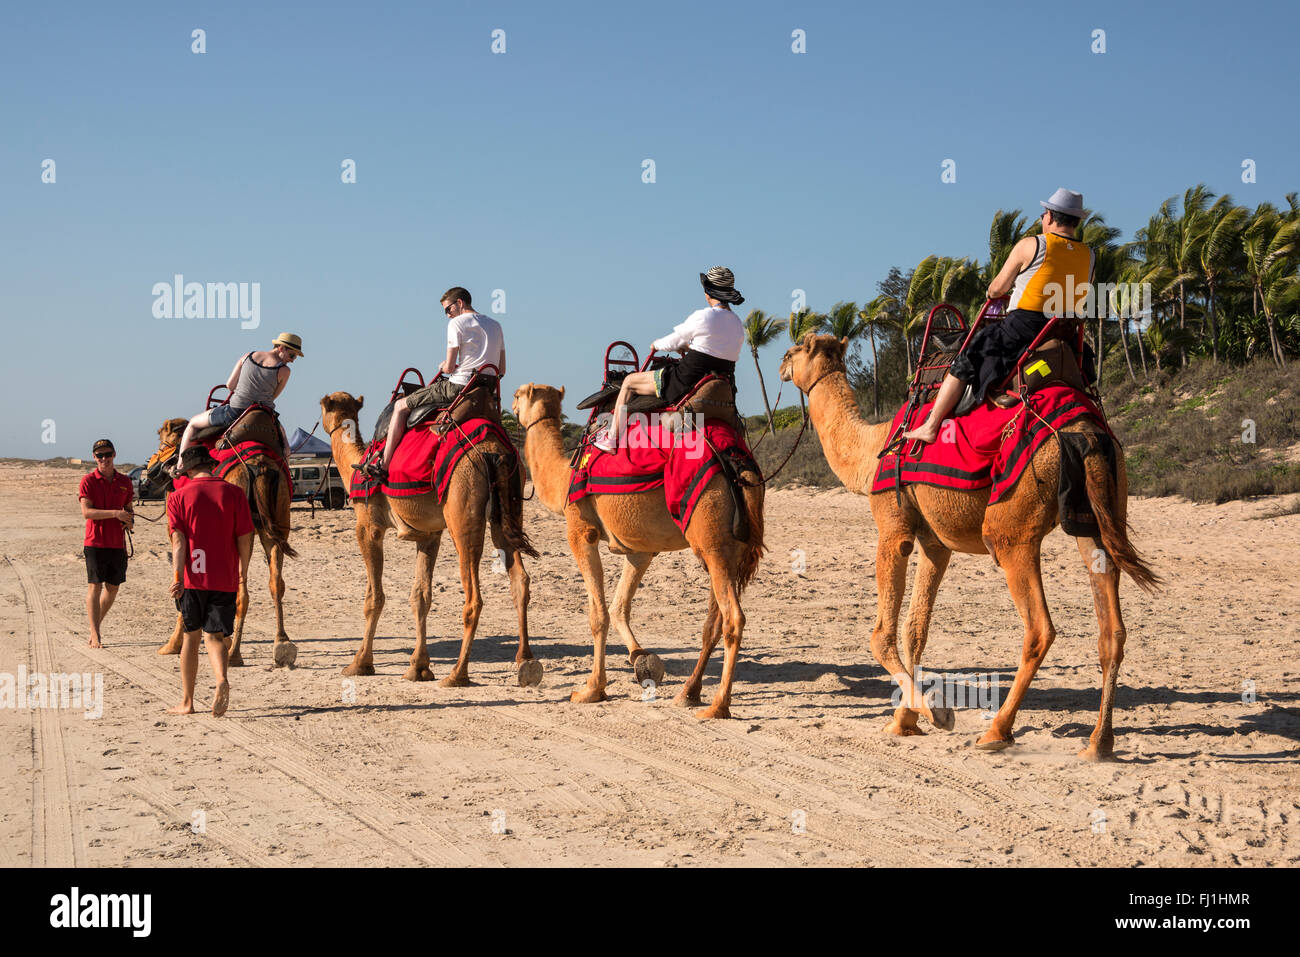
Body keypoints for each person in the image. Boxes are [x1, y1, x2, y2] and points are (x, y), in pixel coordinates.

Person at [901, 188, 1096, 445]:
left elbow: (996, 289)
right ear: (1077, 221)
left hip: (1024, 329)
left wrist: (1000, 290)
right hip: (1064, 332)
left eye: (1043, 214)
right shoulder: (1090, 255)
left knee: (965, 360)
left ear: (1049, 216)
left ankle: (931, 425)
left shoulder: (1032, 245)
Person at [594, 266, 745, 452]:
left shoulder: (705, 316)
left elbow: (673, 341)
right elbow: (713, 349)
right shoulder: (737, 323)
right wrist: (690, 347)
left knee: (629, 382)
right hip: (723, 383)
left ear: (708, 292)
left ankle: (612, 439)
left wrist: (656, 344)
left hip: (686, 381)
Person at [369, 287, 505, 477]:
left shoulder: (457, 323)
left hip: (458, 387)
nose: (448, 315)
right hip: (487, 390)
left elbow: (449, 368)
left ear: (459, 303)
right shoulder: (496, 325)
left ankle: (383, 465)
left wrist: (445, 366)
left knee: (400, 406)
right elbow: (502, 370)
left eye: (448, 309)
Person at [165, 445, 254, 717]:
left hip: (193, 579)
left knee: (191, 637)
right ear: (211, 465)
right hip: (224, 577)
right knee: (215, 636)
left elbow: (179, 542)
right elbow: (245, 537)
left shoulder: (178, 497)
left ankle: (188, 702)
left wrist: (177, 577)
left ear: (189, 469)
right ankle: (221, 680)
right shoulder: (235, 493)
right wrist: (243, 573)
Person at [177, 333, 304, 455]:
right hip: (265, 414)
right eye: (292, 356)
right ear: (281, 348)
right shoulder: (284, 371)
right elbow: (272, 397)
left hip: (235, 412)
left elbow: (230, 385)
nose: (292, 361)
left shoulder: (247, 356)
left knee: (193, 423)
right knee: (286, 451)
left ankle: (180, 465)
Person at [78, 439, 134, 648]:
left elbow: (128, 509)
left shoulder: (125, 481)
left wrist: (128, 519)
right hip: (95, 542)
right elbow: (87, 512)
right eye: (99, 455)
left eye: (107, 454)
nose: (104, 459)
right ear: (94, 457)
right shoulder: (88, 481)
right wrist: (115, 513)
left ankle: (95, 626)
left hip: (117, 543)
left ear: (114, 455)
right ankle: (96, 634)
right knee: (95, 586)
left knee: (113, 588)